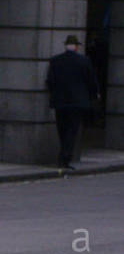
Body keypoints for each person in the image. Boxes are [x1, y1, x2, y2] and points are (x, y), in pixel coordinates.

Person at [45, 35, 99, 170]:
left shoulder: (55, 61)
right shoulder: (84, 61)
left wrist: (54, 94)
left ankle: (63, 155)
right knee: (72, 130)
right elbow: (91, 81)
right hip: (77, 102)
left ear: (65, 46)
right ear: (76, 47)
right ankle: (64, 157)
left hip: (60, 101)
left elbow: (50, 81)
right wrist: (94, 95)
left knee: (62, 129)